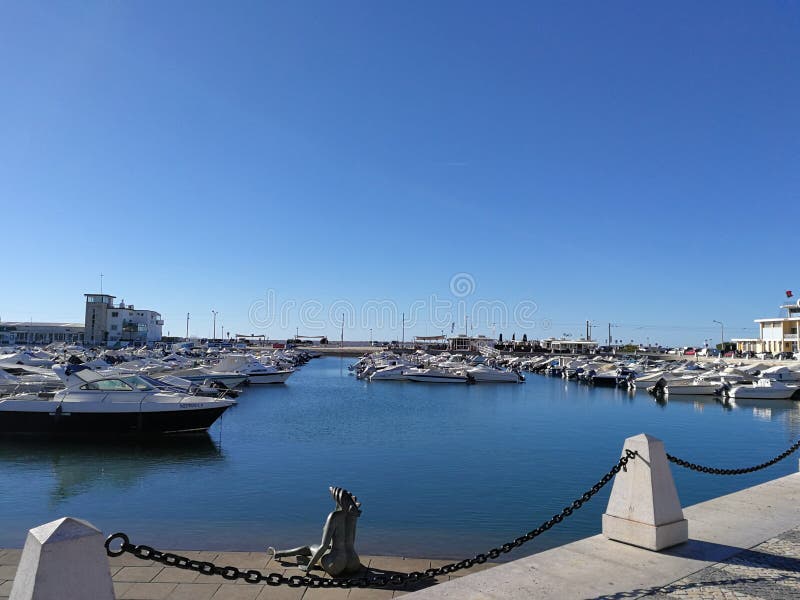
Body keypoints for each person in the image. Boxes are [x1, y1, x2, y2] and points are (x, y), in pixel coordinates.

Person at [268, 486, 362, 576]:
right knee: (330, 549)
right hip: (353, 563)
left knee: (311, 548)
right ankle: (287, 555)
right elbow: (349, 540)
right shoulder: (352, 515)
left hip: (336, 565)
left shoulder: (334, 516)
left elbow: (324, 546)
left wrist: (309, 567)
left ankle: (281, 553)